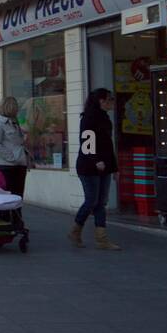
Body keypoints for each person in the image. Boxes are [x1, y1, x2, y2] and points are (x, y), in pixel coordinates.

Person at [72, 87, 121, 250]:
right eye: (110, 99)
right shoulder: (89, 118)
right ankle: (76, 231)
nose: (112, 102)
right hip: (89, 166)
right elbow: (86, 142)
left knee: (101, 202)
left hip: (104, 166)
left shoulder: (105, 118)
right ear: (101, 101)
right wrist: (96, 161)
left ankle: (102, 239)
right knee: (92, 201)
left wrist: (114, 168)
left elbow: (108, 145)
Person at [0, 96, 29, 220]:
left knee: (18, 195)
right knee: (5, 196)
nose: (17, 109)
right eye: (15, 107)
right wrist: (12, 157)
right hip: (4, 165)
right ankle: (5, 222)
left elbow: (17, 143)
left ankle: (17, 221)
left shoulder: (14, 122)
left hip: (19, 164)